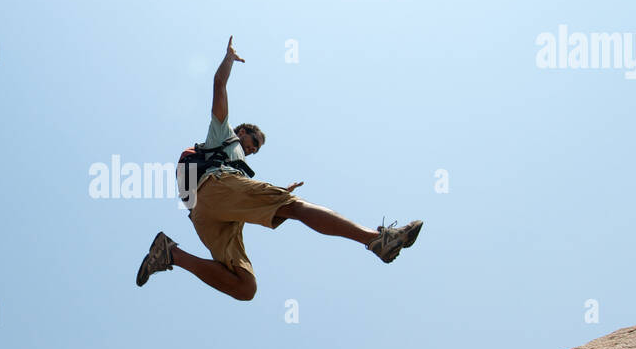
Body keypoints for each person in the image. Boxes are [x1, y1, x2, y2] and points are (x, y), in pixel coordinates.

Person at [136, 36, 422, 301]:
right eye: (253, 141)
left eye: (257, 148)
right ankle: (377, 240)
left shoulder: (234, 160)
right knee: (294, 206)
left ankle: (170, 253)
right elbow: (218, 84)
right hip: (215, 187)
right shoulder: (223, 134)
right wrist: (228, 58)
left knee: (245, 287)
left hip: (203, 214)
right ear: (242, 130)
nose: (253, 148)